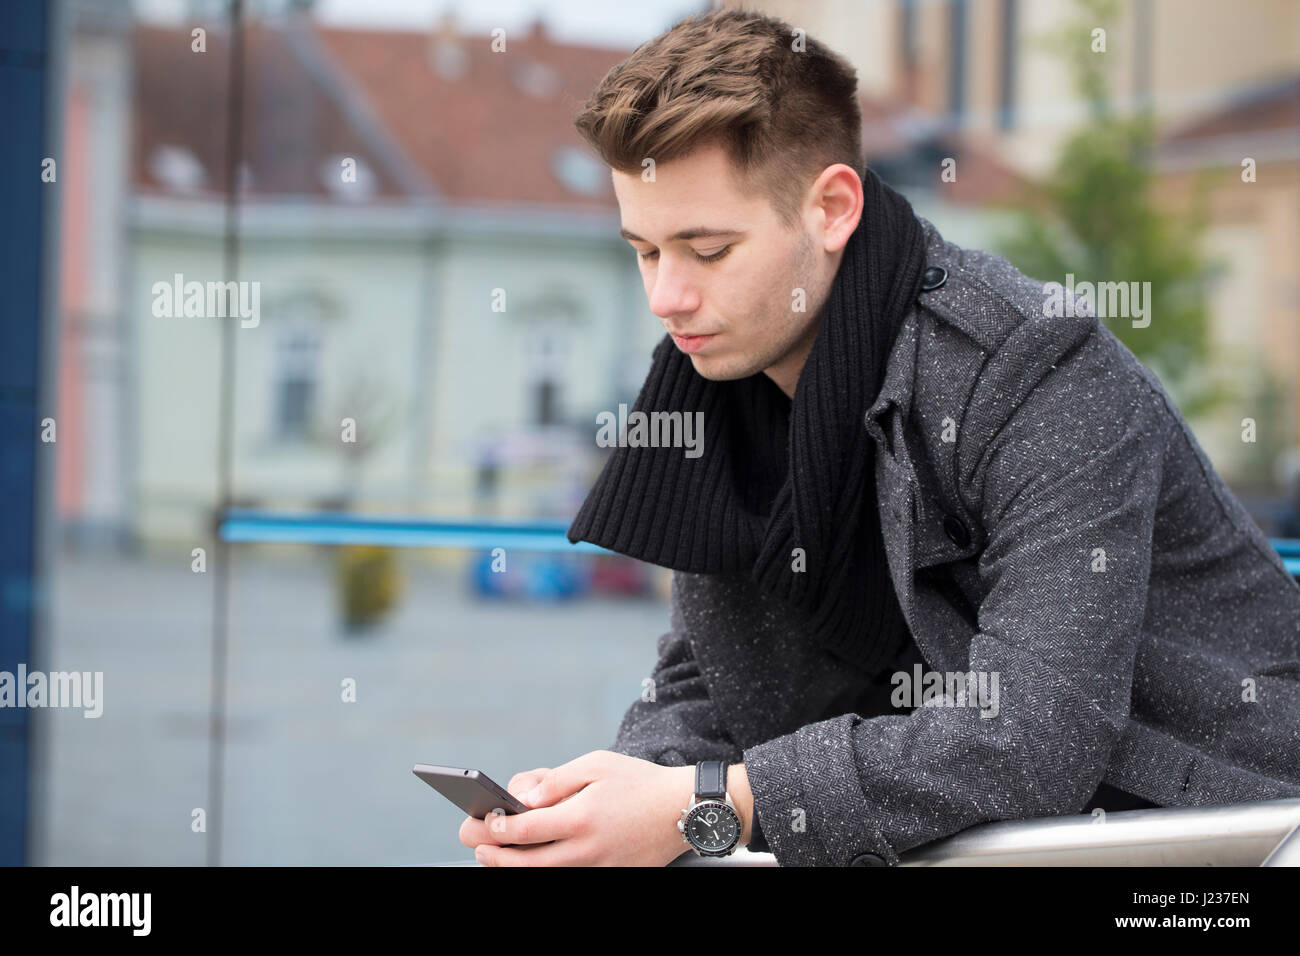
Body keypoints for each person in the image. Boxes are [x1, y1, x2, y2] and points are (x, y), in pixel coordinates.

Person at [459, 8, 1300, 867]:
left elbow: (1036, 732)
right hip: (968, 843)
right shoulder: (718, 374)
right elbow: (706, 681)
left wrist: (703, 805)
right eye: (644, 251)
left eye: (707, 251)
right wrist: (593, 806)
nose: (667, 296)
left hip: (1218, 835)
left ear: (831, 207)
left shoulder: (1036, 368)